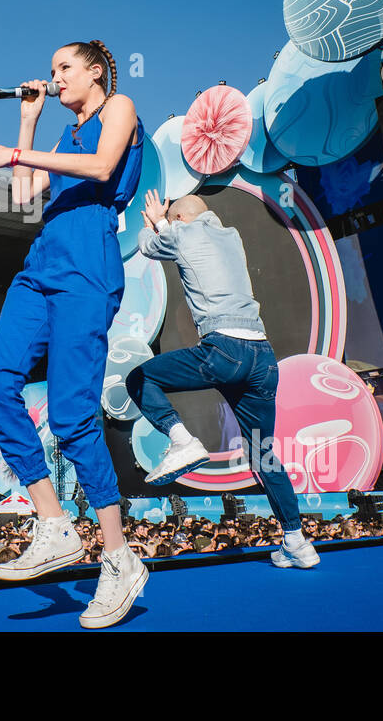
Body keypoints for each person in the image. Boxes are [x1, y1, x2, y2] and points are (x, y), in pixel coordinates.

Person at [0, 40, 148, 629]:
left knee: (72, 416)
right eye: (50, 72)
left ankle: (119, 557)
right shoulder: (58, 134)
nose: (55, 78)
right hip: (40, 264)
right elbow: (23, 195)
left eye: (63, 68)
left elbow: (100, 167)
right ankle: (54, 523)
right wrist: (27, 117)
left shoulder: (119, 107)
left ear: (95, 71)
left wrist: (17, 150)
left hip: (87, 267)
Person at [126, 190, 319, 570]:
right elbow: (191, 229)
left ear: (180, 219)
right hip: (263, 359)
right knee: (264, 455)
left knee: (139, 377)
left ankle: (181, 440)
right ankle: (296, 540)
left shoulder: (180, 233)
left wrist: (154, 221)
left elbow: (148, 246)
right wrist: (172, 220)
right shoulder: (232, 236)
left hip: (224, 351)